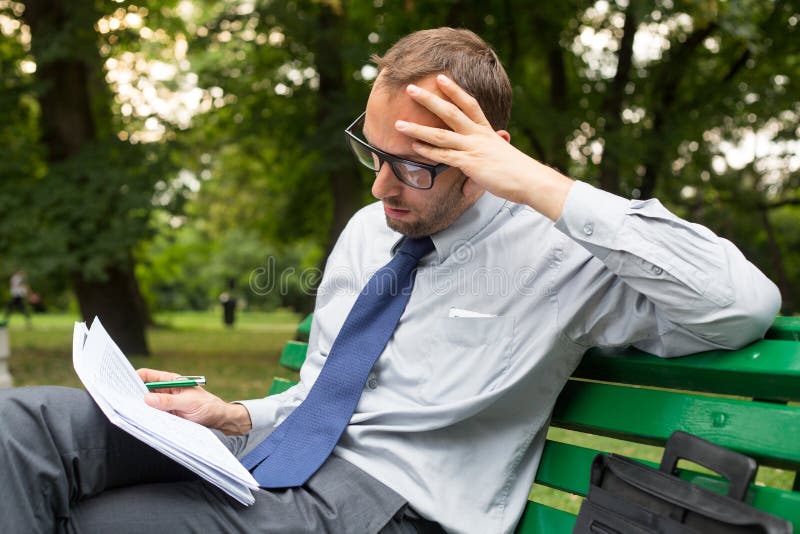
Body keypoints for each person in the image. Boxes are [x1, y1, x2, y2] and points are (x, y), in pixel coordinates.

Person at [0, 28, 780, 534]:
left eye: (411, 165)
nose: (380, 189)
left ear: (488, 156)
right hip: (282, 466)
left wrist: (536, 182)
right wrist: (232, 415)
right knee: (21, 427)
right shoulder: (372, 231)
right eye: (372, 153)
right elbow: (321, 397)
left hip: (390, 505)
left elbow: (740, 306)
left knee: (102, 524)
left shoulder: (564, 254)